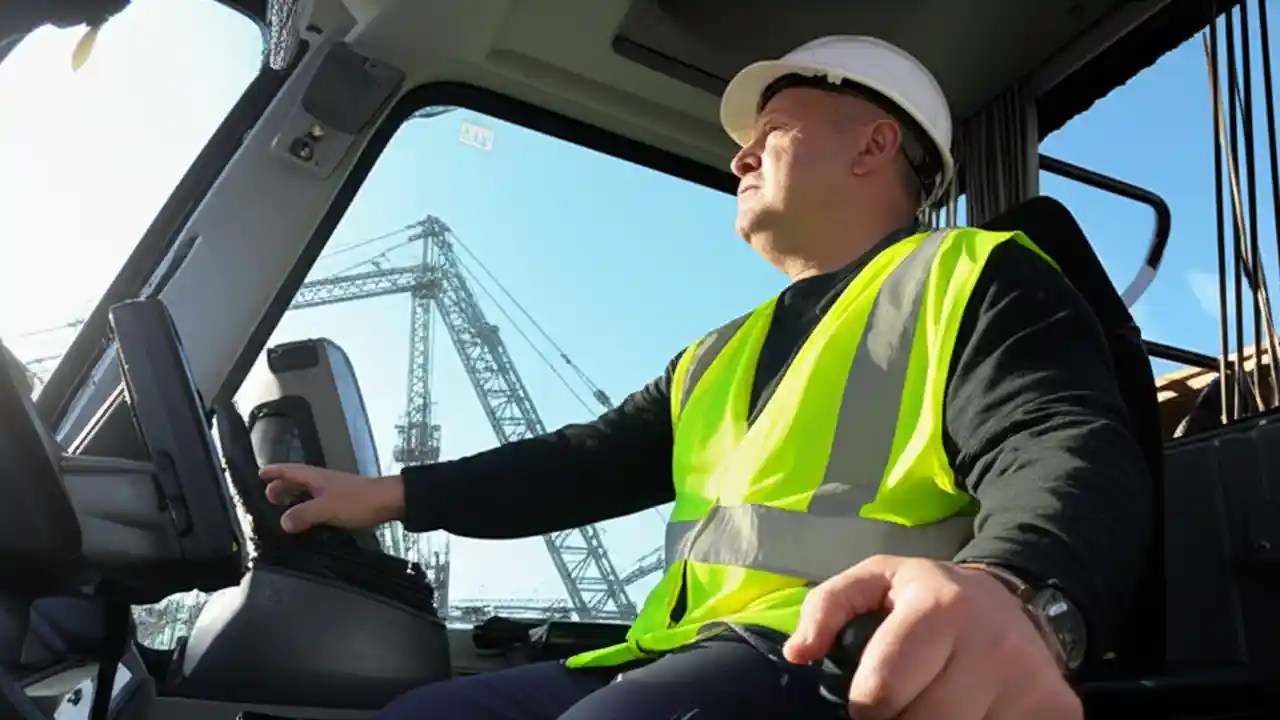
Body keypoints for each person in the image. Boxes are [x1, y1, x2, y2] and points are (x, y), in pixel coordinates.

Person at [260, 35, 1151, 719]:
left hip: (836, 654)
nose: (739, 158)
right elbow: (579, 463)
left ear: (874, 144)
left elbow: (1060, 443)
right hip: (671, 654)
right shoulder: (714, 355)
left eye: (772, 132)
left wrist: (1017, 592)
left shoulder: (973, 274)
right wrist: (388, 495)